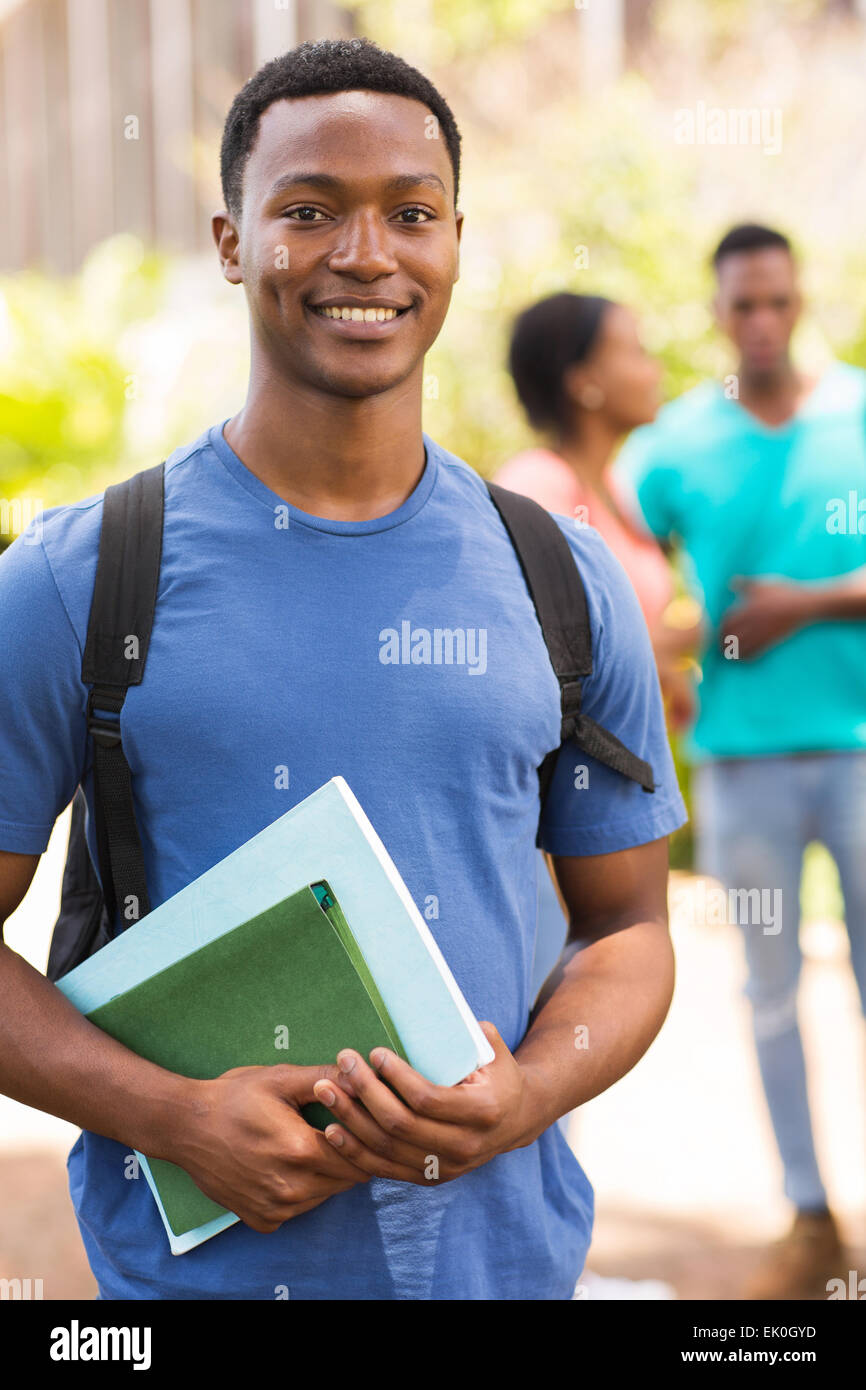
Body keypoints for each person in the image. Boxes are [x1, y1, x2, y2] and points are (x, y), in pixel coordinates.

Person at [0, 38, 686, 1301]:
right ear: (229, 241)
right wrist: (173, 1114)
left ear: (456, 245)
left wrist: (529, 1088)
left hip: (505, 1270)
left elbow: (629, 926)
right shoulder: (79, 579)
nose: (364, 256)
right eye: (307, 210)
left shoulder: (560, 579)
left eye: (409, 214)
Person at [615, 222, 866, 1299]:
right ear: (715, 314)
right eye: (739, 307)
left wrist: (802, 604)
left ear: (797, 298)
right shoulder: (672, 444)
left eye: (775, 301)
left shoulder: (856, 410)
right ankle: (809, 1219)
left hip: (858, 749)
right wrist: (663, 646)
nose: (759, 323)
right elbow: (607, 546)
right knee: (766, 993)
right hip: (737, 765)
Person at [494, 292, 700, 998]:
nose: (654, 368)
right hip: (552, 831)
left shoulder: (616, 489)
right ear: (583, 380)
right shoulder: (538, 487)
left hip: (605, 819)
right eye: (635, 350)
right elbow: (531, 651)